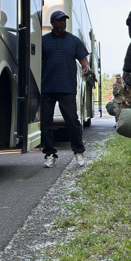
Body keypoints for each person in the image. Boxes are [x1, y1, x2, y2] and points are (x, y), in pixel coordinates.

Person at [40, 10, 91, 168]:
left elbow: (84, 60)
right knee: (46, 123)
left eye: (64, 20)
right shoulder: (43, 41)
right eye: (59, 20)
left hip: (67, 87)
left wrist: (86, 67)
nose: (62, 23)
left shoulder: (74, 41)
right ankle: (49, 154)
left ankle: (78, 152)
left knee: (72, 121)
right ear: (52, 22)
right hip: (47, 87)